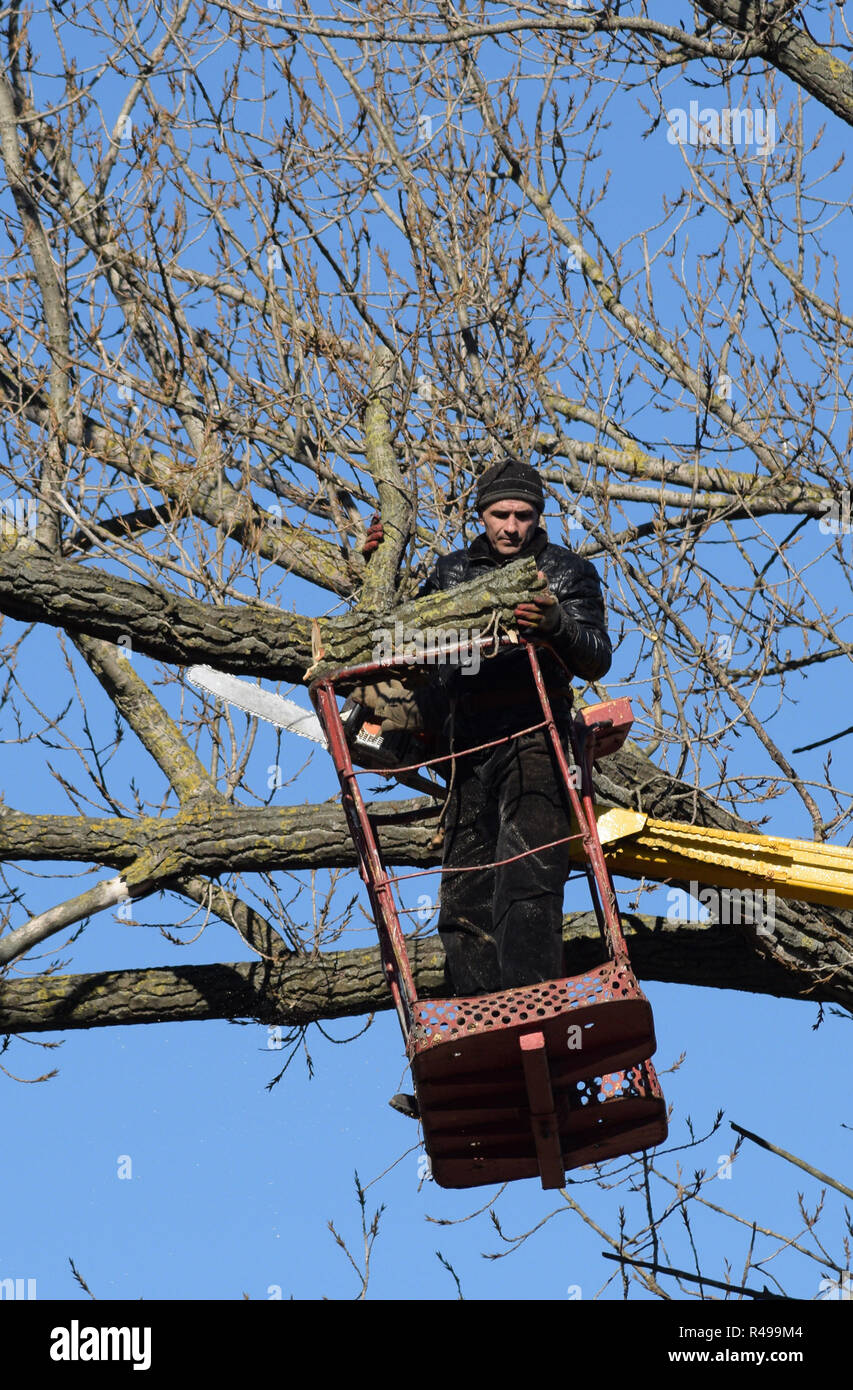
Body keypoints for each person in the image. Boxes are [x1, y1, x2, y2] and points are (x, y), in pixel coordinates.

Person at [361, 457, 612, 998]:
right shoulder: (451, 574)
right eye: (501, 514)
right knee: (462, 900)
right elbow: (406, 638)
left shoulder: (566, 572)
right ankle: (482, 1013)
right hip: (467, 748)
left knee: (528, 877)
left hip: (535, 740)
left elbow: (596, 657)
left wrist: (557, 626)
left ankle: (534, 1005)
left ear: (538, 517)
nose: (512, 526)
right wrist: (377, 569)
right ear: (481, 514)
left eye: (524, 515)